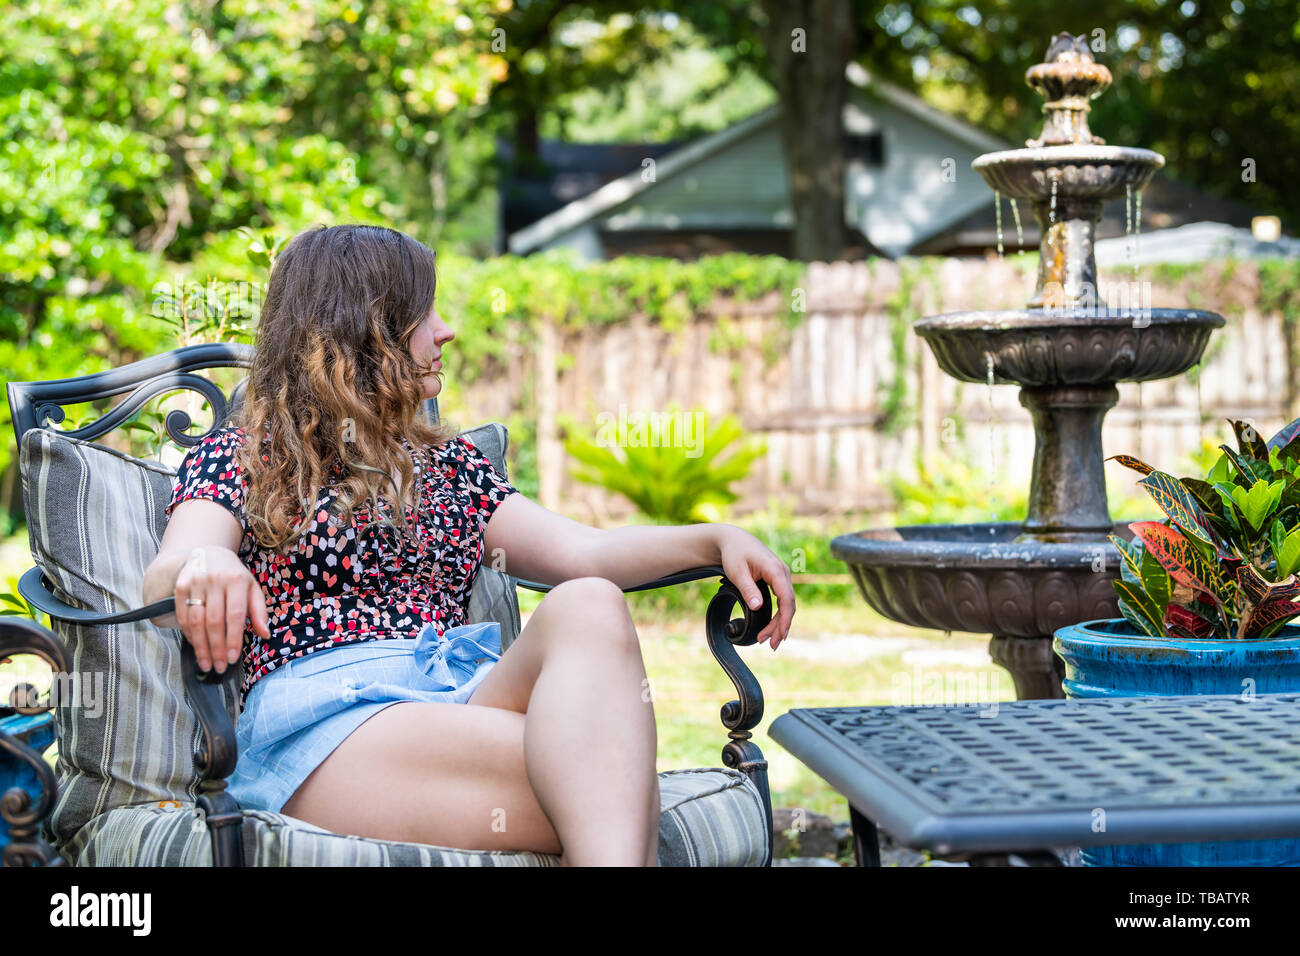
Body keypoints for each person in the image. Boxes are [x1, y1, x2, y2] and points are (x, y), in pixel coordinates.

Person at [140, 223, 795, 867]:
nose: (446, 330)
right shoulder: (247, 455)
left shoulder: (450, 465)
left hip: (464, 695)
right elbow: (173, 565)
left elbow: (587, 554)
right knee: (614, 784)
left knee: (589, 604)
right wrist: (204, 564)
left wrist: (717, 535)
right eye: (423, 313)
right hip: (331, 724)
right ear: (363, 327)